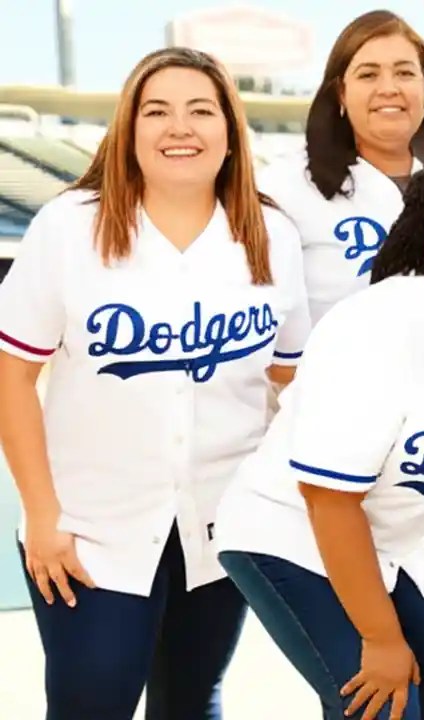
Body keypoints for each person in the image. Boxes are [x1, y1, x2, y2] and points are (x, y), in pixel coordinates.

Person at [0, 47, 310, 720]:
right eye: (158, 111)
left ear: (230, 130)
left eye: (202, 110)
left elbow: (289, 377)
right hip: (90, 531)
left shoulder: (271, 234)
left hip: (219, 523)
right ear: (128, 128)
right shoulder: (69, 227)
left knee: (193, 699)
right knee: (92, 702)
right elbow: (13, 375)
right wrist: (45, 517)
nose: (181, 128)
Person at [216, 144, 424, 720]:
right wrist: (383, 638)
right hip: (293, 536)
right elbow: (329, 499)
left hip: (396, 543)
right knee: (387, 706)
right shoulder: (372, 328)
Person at [258, 9, 424, 325]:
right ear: (341, 93)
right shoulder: (283, 187)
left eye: (405, 73)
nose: (388, 88)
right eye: (368, 74)